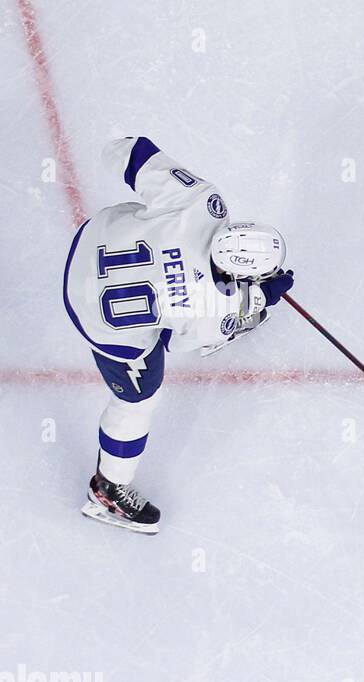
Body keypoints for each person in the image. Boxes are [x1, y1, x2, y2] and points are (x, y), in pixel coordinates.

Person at [63, 136, 295, 533]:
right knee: (138, 399)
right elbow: (183, 341)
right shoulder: (212, 312)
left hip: (92, 242)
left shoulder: (201, 203)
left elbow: (129, 152)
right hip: (98, 320)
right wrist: (254, 301)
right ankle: (108, 491)